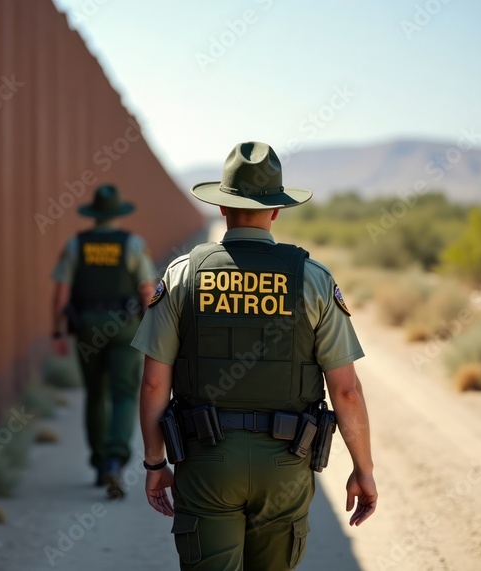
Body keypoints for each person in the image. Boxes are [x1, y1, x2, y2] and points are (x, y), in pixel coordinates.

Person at [132, 142, 377, 569]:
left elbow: (154, 383)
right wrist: (363, 469)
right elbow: (347, 391)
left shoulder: (183, 274)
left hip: (206, 462)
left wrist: (155, 462)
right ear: (277, 210)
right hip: (285, 463)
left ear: (223, 208)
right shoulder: (314, 280)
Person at [51, 184, 157, 499]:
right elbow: (147, 290)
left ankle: (99, 465)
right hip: (124, 325)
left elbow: (61, 293)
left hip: (87, 325)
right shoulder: (133, 244)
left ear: (94, 214)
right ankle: (115, 458)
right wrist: (153, 329)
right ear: (117, 213)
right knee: (124, 394)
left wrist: (57, 331)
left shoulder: (75, 245)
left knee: (95, 393)